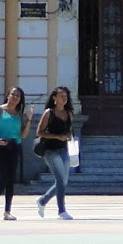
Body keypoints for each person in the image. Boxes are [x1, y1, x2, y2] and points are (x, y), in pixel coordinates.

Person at [0, 86, 31, 220]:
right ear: (8, 95)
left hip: (14, 147)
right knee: (4, 176)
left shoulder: (19, 115)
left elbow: (24, 135)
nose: (15, 97)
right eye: (13, 94)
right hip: (0, 146)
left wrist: (29, 120)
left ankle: (7, 211)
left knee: (11, 180)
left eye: (18, 96)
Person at [34, 85, 75, 220]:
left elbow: (69, 130)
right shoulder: (49, 113)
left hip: (64, 149)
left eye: (66, 96)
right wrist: (57, 136)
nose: (64, 98)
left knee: (63, 181)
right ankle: (61, 210)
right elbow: (39, 132)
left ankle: (43, 201)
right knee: (60, 180)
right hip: (50, 150)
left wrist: (68, 135)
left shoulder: (69, 113)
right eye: (61, 96)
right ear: (54, 98)